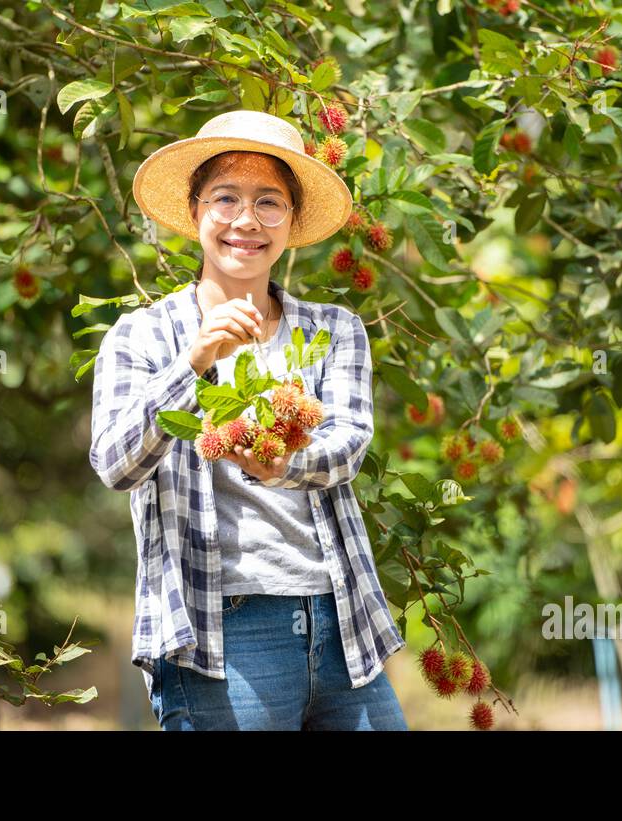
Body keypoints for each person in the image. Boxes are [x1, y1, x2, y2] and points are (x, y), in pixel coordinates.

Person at [91, 109, 408, 730]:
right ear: (194, 211)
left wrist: (284, 463)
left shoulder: (334, 330)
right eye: (225, 198)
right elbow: (115, 463)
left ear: (290, 221)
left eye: (269, 202)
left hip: (340, 620)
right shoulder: (142, 337)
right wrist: (195, 362)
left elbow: (348, 445)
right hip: (222, 630)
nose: (246, 221)